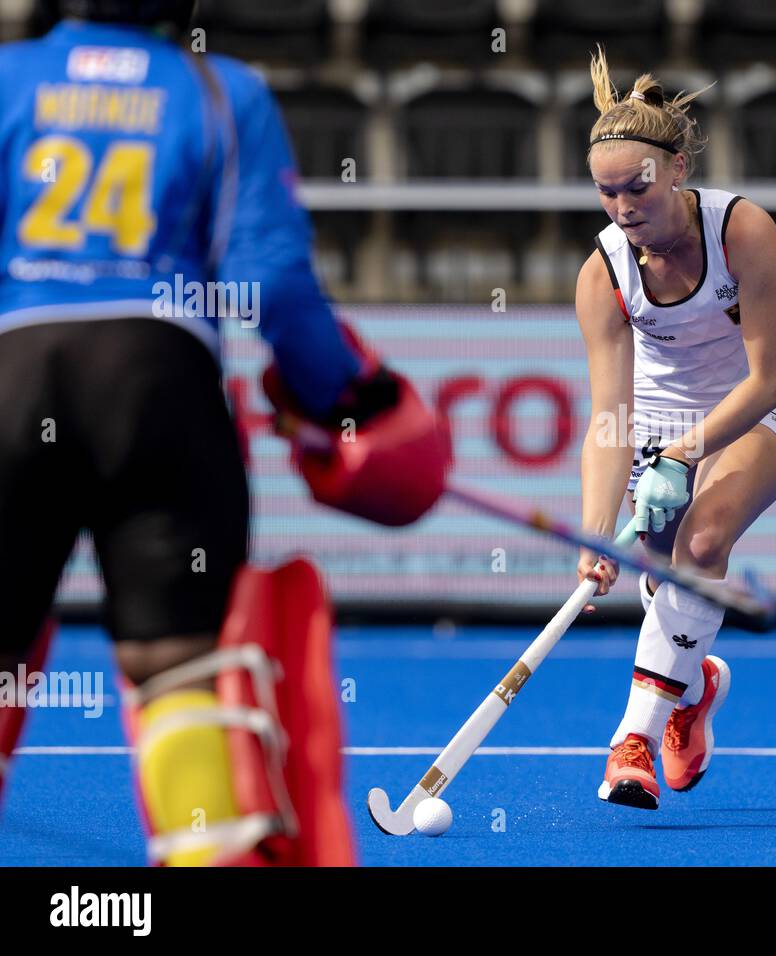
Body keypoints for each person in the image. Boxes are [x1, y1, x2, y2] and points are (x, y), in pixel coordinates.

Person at [0, 0, 446, 864]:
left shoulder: (6, 77)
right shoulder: (217, 88)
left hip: (10, 376)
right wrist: (348, 398)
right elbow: (271, 283)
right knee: (177, 668)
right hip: (158, 378)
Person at [574, 48, 776, 810]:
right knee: (664, 574)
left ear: (676, 168)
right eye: (607, 193)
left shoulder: (742, 232)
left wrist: (685, 454)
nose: (623, 208)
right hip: (660, 417)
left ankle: (632, 740)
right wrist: (593, 535)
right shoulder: (603, 272)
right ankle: (692, 685)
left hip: (764, 403)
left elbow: (769, 376)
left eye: (637, 187)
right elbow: (610, 418)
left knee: (704, 543)